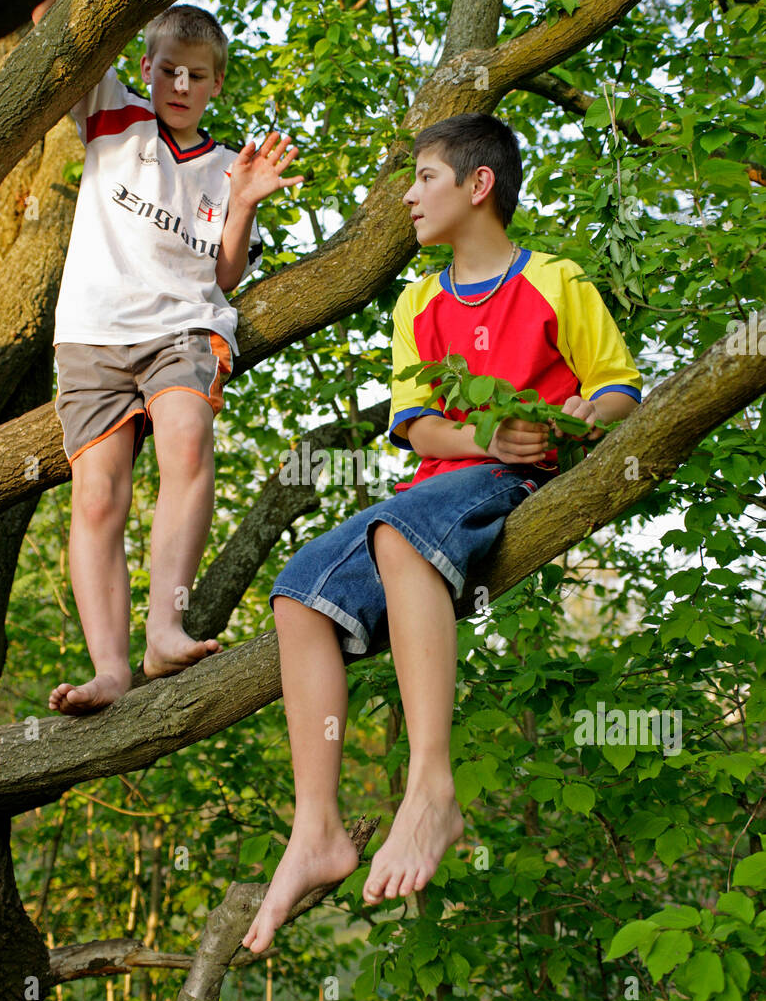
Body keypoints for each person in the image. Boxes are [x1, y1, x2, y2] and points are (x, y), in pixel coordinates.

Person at [242, 112, 642, 953]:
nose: (410, 196)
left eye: (425, 178)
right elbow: (418, 427)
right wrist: (479, 439)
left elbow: (619, 392)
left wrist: (575, 418)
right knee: (300, 589)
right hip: (438, 483)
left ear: (478, 184)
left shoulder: (558, 283)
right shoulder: (418, 302)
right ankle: (314, 829)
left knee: (396, 537)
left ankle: (431, 788)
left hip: (515, 480)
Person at [32, 0, 303, 714]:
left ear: (217, 82)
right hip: (91, 334)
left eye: (197, 73)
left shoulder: (231, 163)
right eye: (167, 68)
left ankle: (166, 631)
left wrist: (250, 199)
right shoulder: (112, 114)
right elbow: (53, 14)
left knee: (186, 438)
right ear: (147, 68)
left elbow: (224, 277)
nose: (180, 83)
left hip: (182, 329)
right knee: (98, 495)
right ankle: (111, 667)